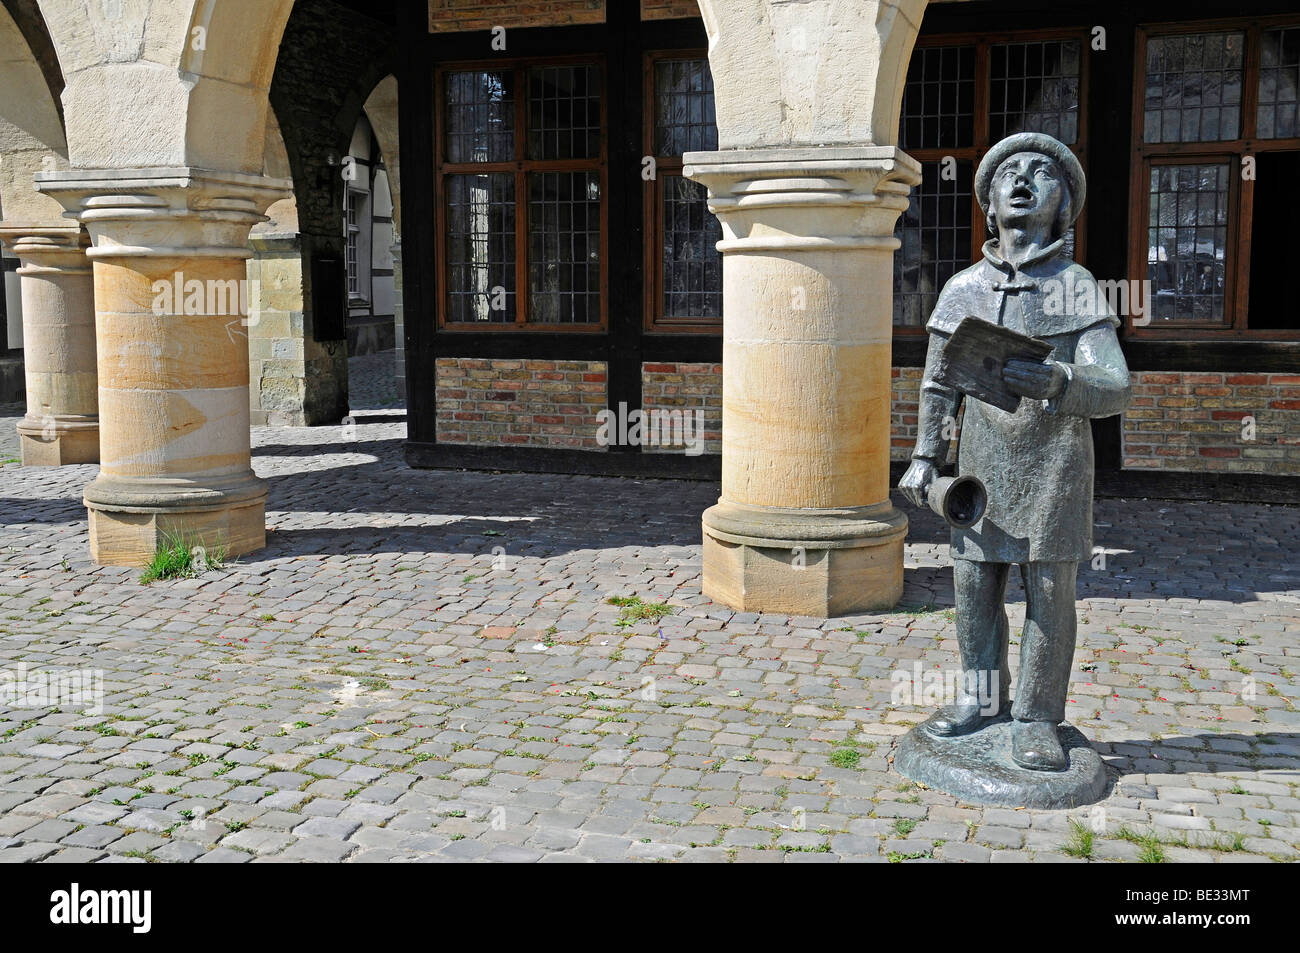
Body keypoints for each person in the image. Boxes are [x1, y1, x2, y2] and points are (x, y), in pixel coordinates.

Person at [898, 132, 1132, 771]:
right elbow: (938, 381)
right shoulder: (963, 287)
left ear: (1064, 206)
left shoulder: (1074, 285)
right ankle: (981, 700)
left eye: (1041, 173)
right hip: (980, 468)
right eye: (1008, 174)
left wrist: (1062, 381)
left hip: (1055, 466)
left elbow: (1115, 384)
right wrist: (924, 456)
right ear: (990, 202)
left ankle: (1036, 716)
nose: (1022, 180)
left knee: (1048, 592)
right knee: (974, 586)